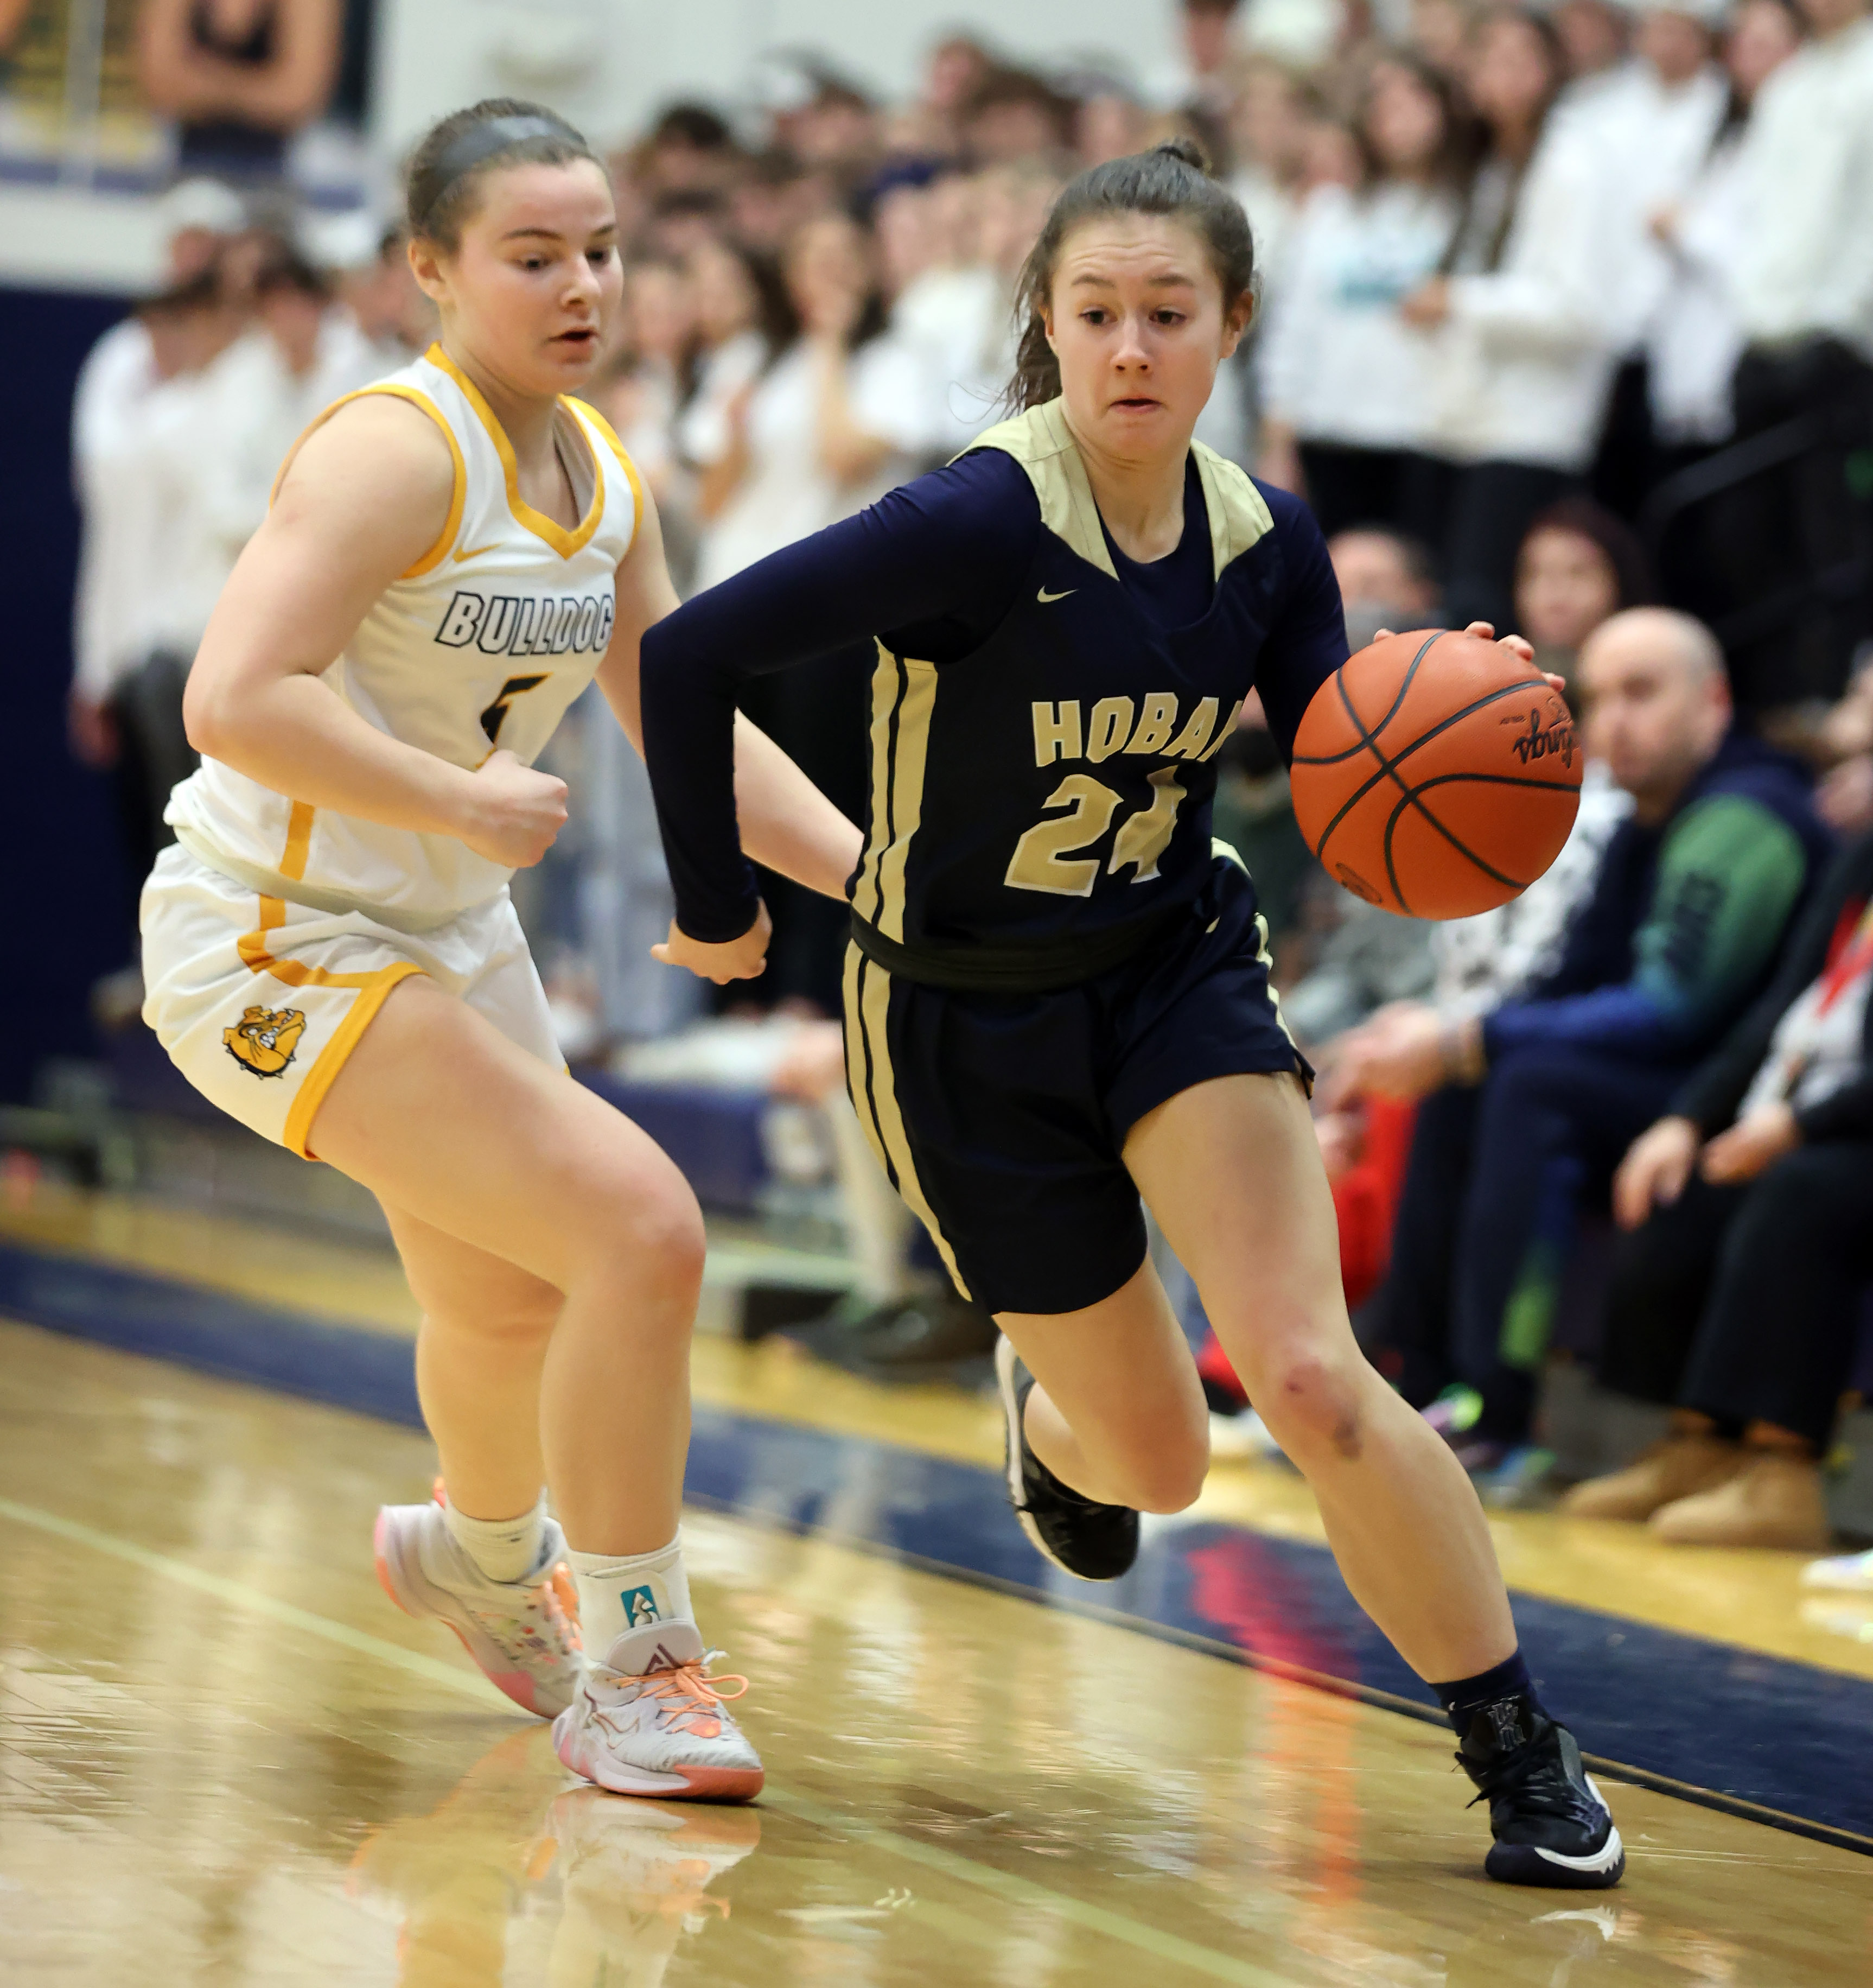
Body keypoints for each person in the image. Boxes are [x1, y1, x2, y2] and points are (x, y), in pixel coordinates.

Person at [639, 138, 1628, 1889]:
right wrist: (719, 905)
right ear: (1046, 318)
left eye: (1168, 313)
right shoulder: (975, 519)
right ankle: (1046, 1410)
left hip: (1173, 966)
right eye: (1094, 312)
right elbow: (684, 653)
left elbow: (1353, 782)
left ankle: (1516, 1748)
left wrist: (1467, 712)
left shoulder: (1267, 539)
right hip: (958, 1014)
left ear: (1231, 323)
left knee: (1312, 1375)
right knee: (1159, 1465)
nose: (1128, 348)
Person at [138, 99, 862, 1801]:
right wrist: (452, 798)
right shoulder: (394, 450)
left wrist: (877, 880)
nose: (582, 284)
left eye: (600, 250)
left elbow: (680, 723)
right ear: (432, 269)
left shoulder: (603, 472)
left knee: (509, 1294)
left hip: (441, 928)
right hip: (276, 934)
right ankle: (637, 1659)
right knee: (642, 1229)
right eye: (533, 255)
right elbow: (230, 695)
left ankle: (474, 1554)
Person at [1344, 608, 1830, 1453]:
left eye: (1642, 693)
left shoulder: (1746, 815)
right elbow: (1572, 979)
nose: (1614, 722)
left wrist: (1477, 1039)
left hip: (1730, 1091)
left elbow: (1671, 1007)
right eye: (1599, 699)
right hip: (1660, 1078)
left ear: (1714, 701)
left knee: (1527, 1082)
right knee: (1463, 1085)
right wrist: (1459, 1039)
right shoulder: (1643, 818)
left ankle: (1497, 1399)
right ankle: (1411, 1374)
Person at [1559, 827, 1873, 1547]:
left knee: (1802, 1194)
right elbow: (1780, 1002)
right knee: (1683, 1195)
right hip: (1792, 1112)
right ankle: (1699, 1446)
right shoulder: (1861, 856)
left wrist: (1800, 1124)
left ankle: (1785, 1469)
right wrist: (1687, 1118)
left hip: (1849, 1131)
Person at [1403, 7, 1620, 632]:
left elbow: (1579, 309)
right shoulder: (1489, 165)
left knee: (1486, 618)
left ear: (1554, 67)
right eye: (1489, 59)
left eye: (1521, 58)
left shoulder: (1573, 160)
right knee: (1446, 608)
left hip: (1531, 430)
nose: (1504, 76)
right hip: (1463, 426)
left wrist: (1457, 300)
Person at [1257, 53, 1468, 538]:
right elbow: (1292, 334)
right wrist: (1278, 445)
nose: (1399, 115)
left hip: (1426, 435)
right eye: (1383, 102)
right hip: (1330, 431)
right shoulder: (1331, 211)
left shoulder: (1465, 208)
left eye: (1414, 97)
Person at [136, 0, 342, 185]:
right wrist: (259, 88)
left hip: (273, 177)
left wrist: (203, 80)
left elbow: (299, 97)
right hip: (185, 172)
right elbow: (158, 82)